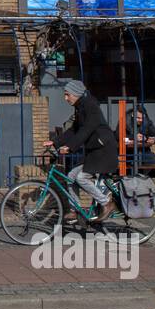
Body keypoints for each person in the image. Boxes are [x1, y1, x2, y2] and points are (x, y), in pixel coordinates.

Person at [43, 79, 119, 223]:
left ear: (76, 93)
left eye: (67, 95)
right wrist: (55, 141)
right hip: (95, 150)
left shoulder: (91, 106)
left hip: (103, 150)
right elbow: (75, 129)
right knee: (70, 176)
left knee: (81, 178)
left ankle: (106, 203)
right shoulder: (81, 106)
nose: (66, 99)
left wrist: (70, 147)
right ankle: (75, 210)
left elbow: (87, 129)